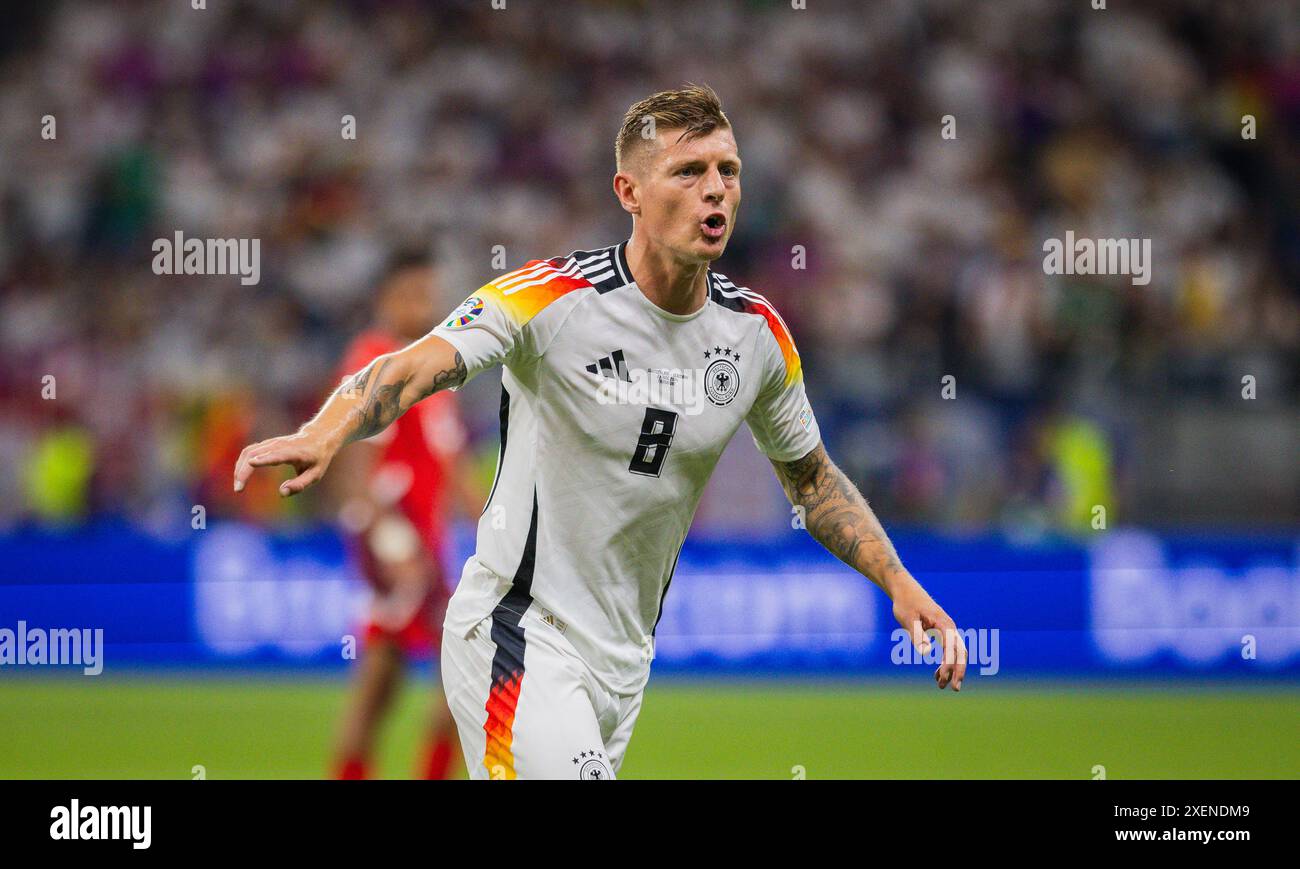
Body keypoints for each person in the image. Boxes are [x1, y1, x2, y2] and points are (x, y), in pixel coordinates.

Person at [234, 84, 967, 780]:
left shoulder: (757, 338)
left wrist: (896, 578)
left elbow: (811, 479)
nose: (716, 188)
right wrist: (328, 429)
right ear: (630, 193)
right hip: (514, 631)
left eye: (728, 170)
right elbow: (420, 363)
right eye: (688, 170)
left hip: (622, 664)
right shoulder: (553, 297)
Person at [328, 252, 479, 780]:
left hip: (428, 547)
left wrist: (498, 525)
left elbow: (453, 464)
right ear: (385, 300)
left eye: (428, 295)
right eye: (411, 295)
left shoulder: (434, 366)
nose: (423, 306)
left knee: (385, 682)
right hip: (397, 545)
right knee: (461, 675)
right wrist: (387, 544)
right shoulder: (374, 361)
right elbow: (354, 465)